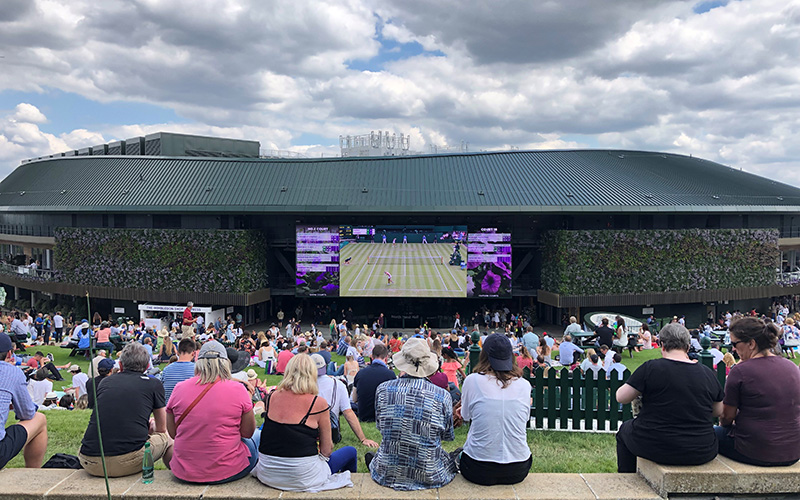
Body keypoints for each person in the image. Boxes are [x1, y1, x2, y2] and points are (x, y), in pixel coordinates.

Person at [615, 323, 724, 473]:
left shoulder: (651, 368)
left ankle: (627, 480)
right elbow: (717, 411)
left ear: (662, 345)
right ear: (687, 346)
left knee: (624, 430)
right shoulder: (706, 373)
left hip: (655, 446)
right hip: (701, 450)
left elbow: (621, 397)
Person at [252, 354, 356, 492]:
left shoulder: (272, 397)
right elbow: (327, 450)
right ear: (312, 374)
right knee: (350, 451)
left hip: (268, 473)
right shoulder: (318, 403)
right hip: (302, 477)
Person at [369, 337, 457, 490]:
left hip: (387, 472)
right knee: (455, 455)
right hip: (430, 474)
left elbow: (380, 426)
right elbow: (447, 436)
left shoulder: (383, 390)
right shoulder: (442, 396)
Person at [166, 340, 257, 484]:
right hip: (227, 469)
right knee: (255, 438)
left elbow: (173, 433)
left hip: (184, 470)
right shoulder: (237, 389)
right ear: (225, 363)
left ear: (198, 362)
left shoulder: (179, 388)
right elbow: (247, 433)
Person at [714, 317, 800, 466]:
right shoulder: (792, 367)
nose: (733, 349)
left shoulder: (740, 371)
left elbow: (727, 417)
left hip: (755, 450)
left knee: (708, 434)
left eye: (735, 344)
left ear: (751, 344)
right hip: (793, 450)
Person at [78, 342, 173, 476]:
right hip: (126, 462)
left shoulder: (106, 382)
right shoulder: (153, 384)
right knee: (167, 438)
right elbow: (162, 429)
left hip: (88, 460)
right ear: (147, 366)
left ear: (121, 365)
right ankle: (174, 475)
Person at [459, 333, 531, 485]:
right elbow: (524, 418)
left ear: (483, 355)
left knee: (458, 454)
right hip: (518, 468)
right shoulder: (524, 385)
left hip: (478, 468)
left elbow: (465, 416)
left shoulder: (472, 380)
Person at [0, 333, 48, 468]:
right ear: (10, 354)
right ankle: (32, 474)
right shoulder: (11, 372)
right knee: (39, 419)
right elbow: (27, 413)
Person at [310, 354, 378, 447]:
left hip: (307, 433)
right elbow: (348, 412)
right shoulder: (337, 384)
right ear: (325, 366)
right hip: (331, 434)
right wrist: (363, 439)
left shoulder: (300, 385)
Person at [351, 345, 397, 422]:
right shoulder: (390, 375)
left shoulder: (360, 373)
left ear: (372, 357)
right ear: (386, 358)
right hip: (383, 416)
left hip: (364, 415)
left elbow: (354, 399)